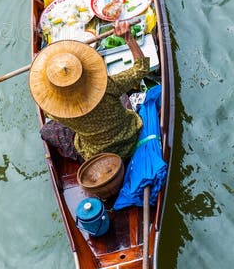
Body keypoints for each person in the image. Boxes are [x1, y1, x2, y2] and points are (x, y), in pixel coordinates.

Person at [29, 20, 150, 163]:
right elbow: (141, 68)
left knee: (47, 130)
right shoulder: (107, 85)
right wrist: (128, 37)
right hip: (130, 136)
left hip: (98, 154)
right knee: (122, 95)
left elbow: (42, 100)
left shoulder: (52, 110)